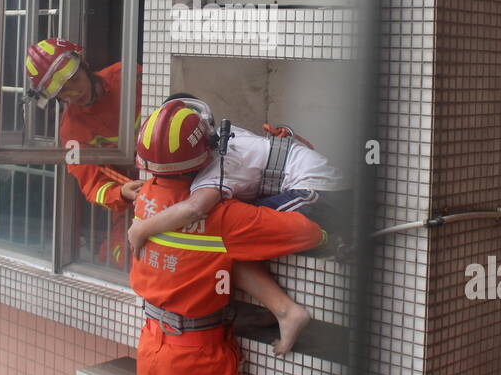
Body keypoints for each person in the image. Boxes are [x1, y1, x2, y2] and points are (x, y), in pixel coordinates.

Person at [131, 98, 325, 375]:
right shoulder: (225, 217)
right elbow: (305, 233)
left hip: (151, 342)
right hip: (195, 355)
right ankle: (285, 310)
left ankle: (284, 310)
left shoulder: (146, 199)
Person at [128, 93, 348, 354]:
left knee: (230, 236)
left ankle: (287, 310)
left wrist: (142, 227)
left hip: (323, 197)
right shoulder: (219, 136)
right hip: (320, 189)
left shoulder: (216, 168)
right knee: (231, 235)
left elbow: (193, 209)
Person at [25, 38, 142, 265]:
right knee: (118, 257)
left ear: (84, 65)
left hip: (182, 173)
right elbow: (92, 186)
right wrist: (121, 193)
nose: (74, 93)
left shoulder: (127, 77)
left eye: (75, 80)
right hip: (136, 196)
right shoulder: (71, 133)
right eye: (63, 92)